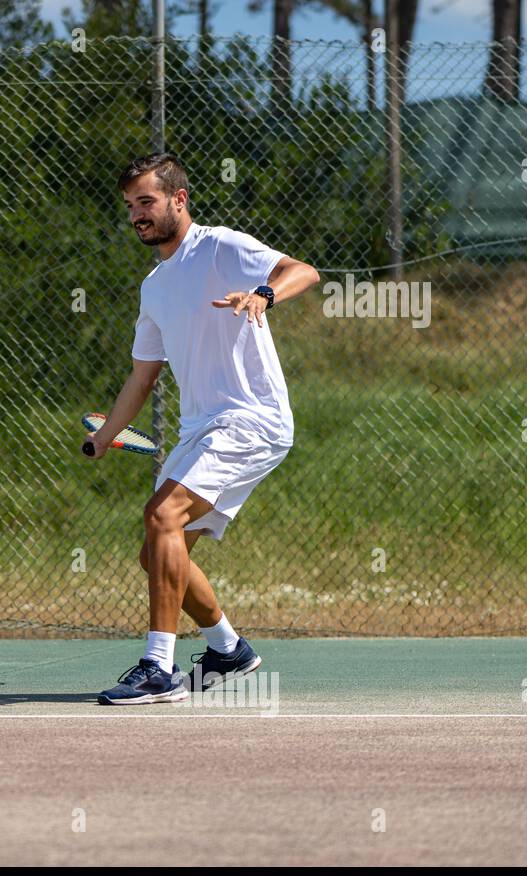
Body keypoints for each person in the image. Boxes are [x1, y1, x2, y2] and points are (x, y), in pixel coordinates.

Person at [87, 154, 320, 704]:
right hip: (203, 429)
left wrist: (262, 295)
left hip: (250, 418)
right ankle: (228, 648)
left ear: (178, 200)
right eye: (130, 207)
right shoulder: (155, 286)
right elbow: (141, 380)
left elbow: (303, 271)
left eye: (147, 202)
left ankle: (157, 668)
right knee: (157, 550)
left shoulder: (221, 246)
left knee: (161, 515)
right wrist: (104, 435)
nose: (138, 216)